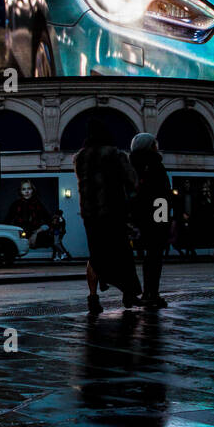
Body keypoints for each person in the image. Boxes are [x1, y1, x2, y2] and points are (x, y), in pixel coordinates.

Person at [74, 116, 141, 313]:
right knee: (122, 253)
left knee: (95, 255)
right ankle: (129, 294)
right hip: (113, 212)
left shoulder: (80, 157)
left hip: (90, 215)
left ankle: (93, 298)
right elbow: (132, 181)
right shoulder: (114, 154)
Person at [129, 132, 172, 309]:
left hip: (137, 219)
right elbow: (161, 197)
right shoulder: (155, 165)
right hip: (155, 219)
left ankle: (138, 293)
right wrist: (162, 222)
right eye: (155, 144)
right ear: (150, 146)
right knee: (154, 258)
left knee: (142, 257)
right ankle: (151, 293)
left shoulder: (132, 166)